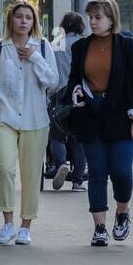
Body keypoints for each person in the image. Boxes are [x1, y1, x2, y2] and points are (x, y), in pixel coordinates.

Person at [0, 0, 59, 246]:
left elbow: (53, 81)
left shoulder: (43, 47)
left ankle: (25, 226)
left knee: (31, 175)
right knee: (5, 168)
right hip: (3, 118)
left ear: (34, 22)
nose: (23, 21)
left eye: (28, 18)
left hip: (35, 119)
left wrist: (35, 58)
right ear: (11, 20)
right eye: (19, 17)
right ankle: (7, 223)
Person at [61, 0, 133, 247]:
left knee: (121, 171)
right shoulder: (81, 47)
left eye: (98, 17)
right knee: (97, 172)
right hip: (90, 116)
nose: (93, 22)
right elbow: (73, 79)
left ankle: (122, 212)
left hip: (121, 118)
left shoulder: (126, 45)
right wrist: (75, 92)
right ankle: (99, 227)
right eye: (90, 18)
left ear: (111, 19)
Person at [49, 12, 89, 190]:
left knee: (57, 133)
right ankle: (78, 180)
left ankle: (60, 163)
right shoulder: (85, 44)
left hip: (59, 93)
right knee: (80, 138)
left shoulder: (55, 45)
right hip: (80, 92)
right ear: (80, 26)